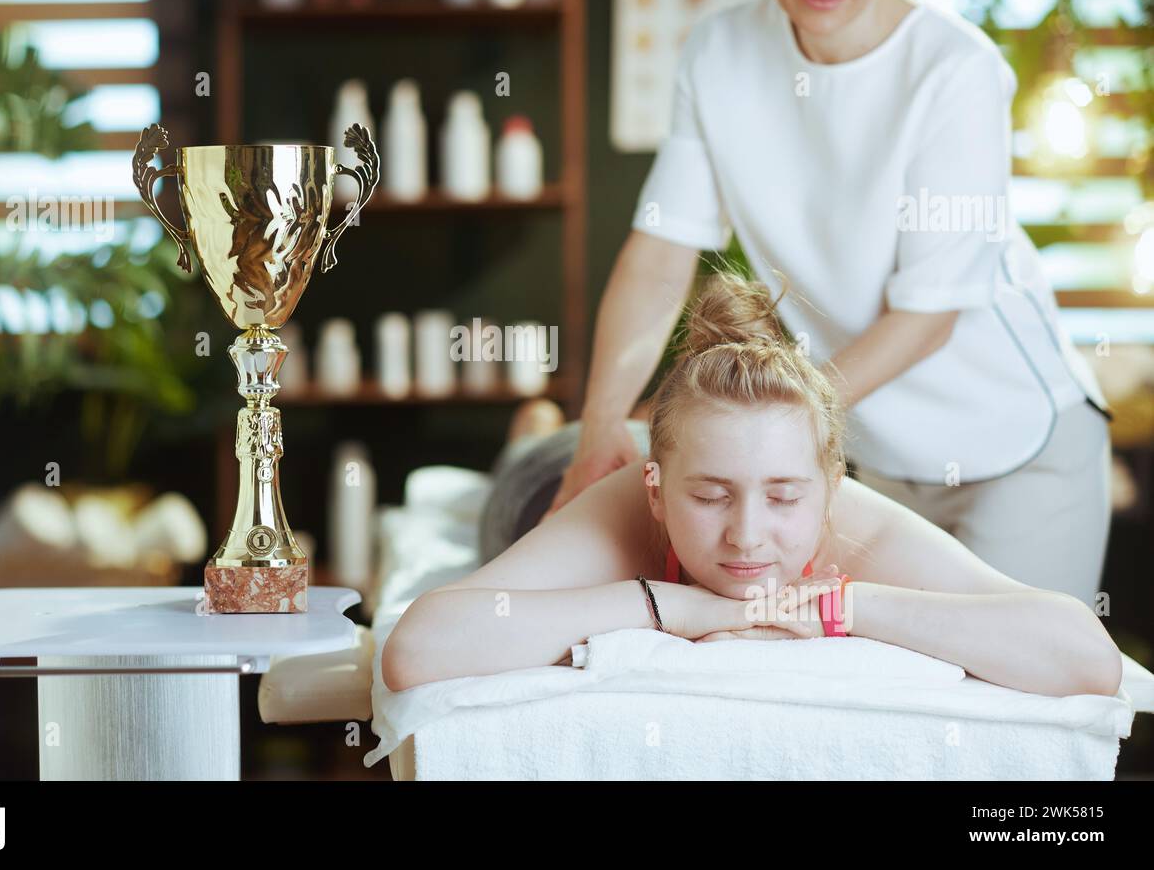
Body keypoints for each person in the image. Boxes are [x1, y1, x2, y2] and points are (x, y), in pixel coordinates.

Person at [543, 0, 1113, 604]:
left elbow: (928, 316)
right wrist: (602, 421)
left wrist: (775, 431)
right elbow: (663, 250)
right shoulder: (718, 52)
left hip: (1014, 442)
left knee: (1020, 686)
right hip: (859, 450)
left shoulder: (954, 69)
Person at [382, 270, 1121, 696]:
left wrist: (849, 608)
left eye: (784, 495)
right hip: (554, 480)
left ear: (830, 488)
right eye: (707, 496)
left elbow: (1086, 658)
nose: (746, 534)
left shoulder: (853, 523)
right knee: (526, 465)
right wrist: (670, 605)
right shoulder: (621, 509)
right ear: (656, 493)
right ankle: (532, 429)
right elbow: (420, 649)